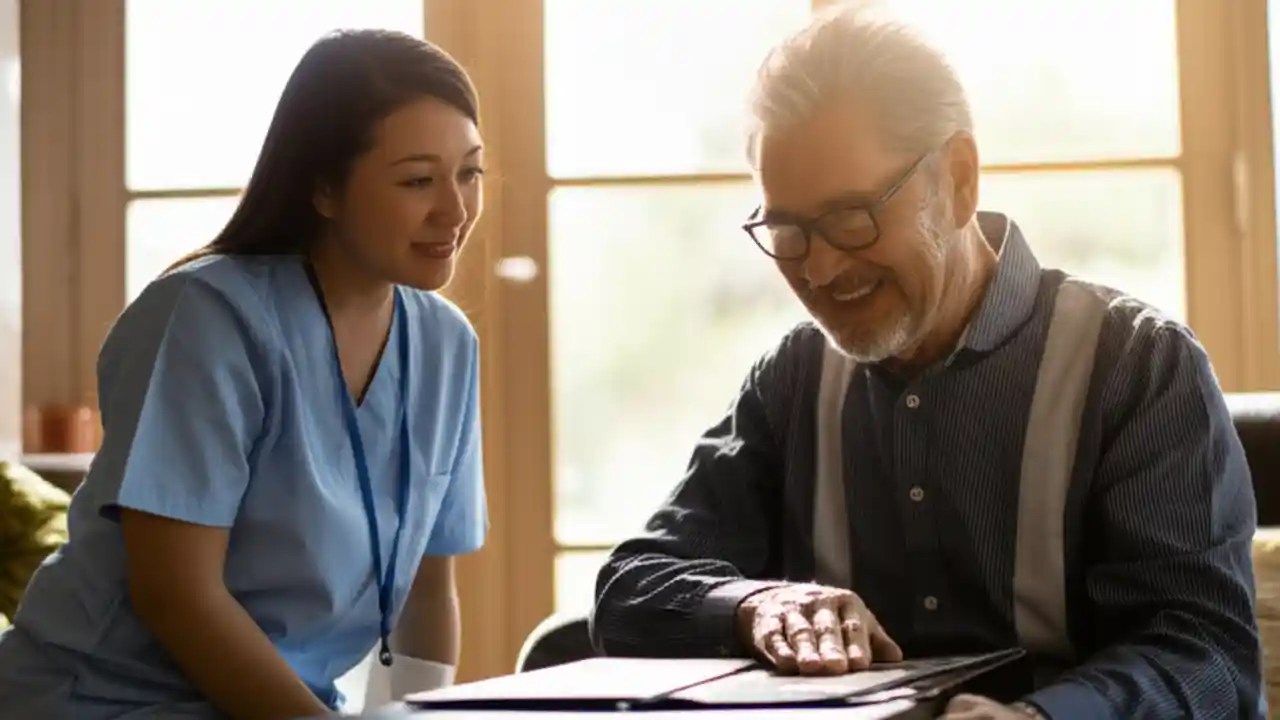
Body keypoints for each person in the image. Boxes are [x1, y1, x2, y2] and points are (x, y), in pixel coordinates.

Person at [590, 4, 1264, 719]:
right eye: (787, 229)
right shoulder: (793, 380)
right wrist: (759, 603)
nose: (817, 269)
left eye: (852, 218)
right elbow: (630, 589)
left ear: (960, 179)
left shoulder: (1141, 368)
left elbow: (1206, 657)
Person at [0, 29, 488, 719]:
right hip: (100, 703)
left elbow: (429, 591)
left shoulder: (445, 344)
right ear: (322, 188)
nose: (456, 210)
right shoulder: (205, 317)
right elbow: (178, 594)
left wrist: (402, 717)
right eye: (417, 180)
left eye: (470, 172)